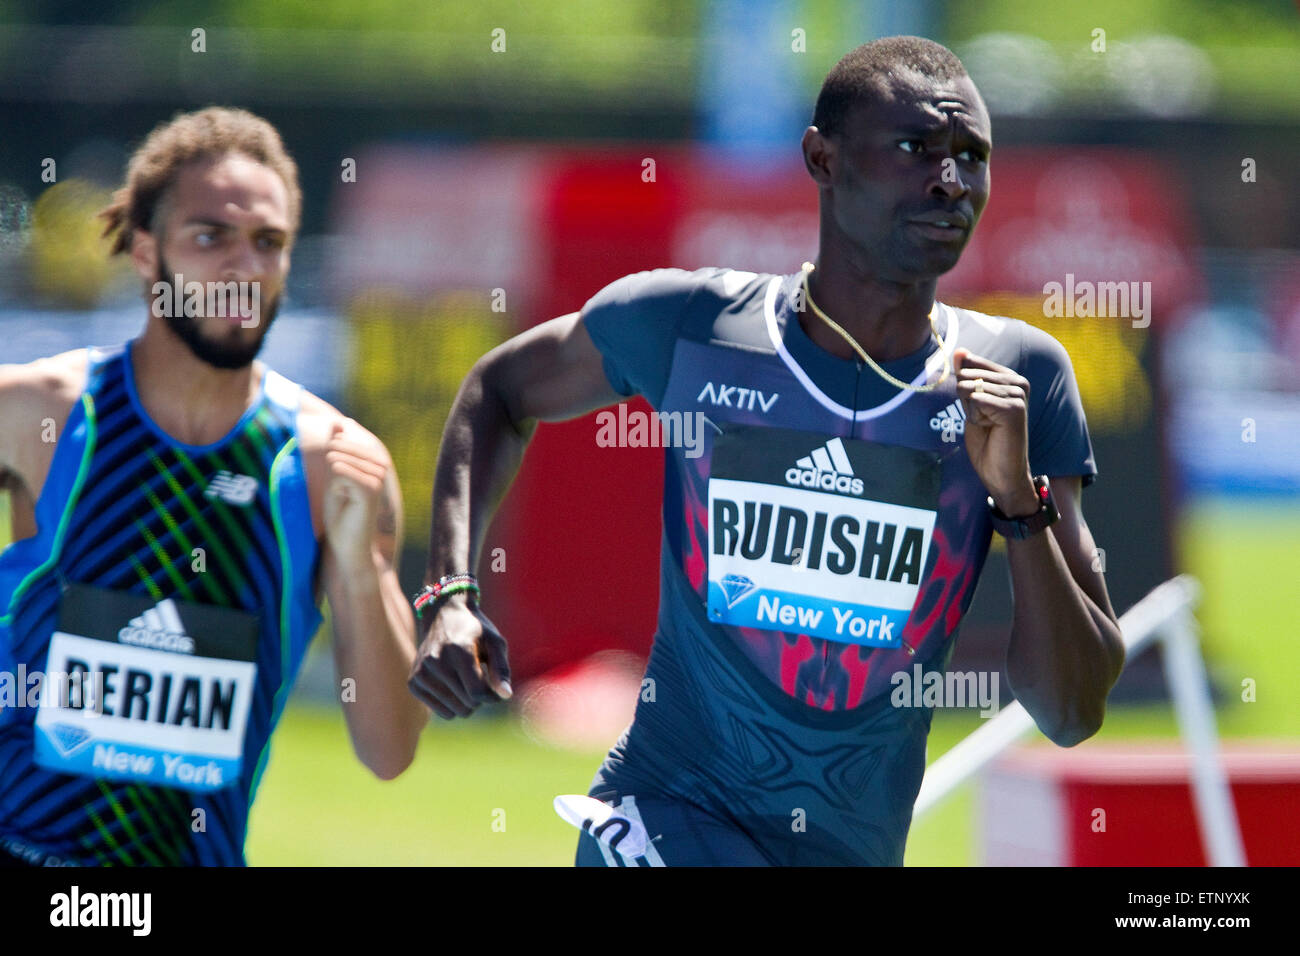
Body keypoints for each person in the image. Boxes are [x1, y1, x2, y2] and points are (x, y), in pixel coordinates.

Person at [408, 36, 1126, 866]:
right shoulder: (693, 327)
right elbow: (497, 390)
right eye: (916, 150)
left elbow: (1071, 711)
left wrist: (1018, 503)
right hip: (663, 818)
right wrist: (450, 595)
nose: (951, 181)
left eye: (973, 156)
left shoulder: (1019, 375)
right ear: (822, 158)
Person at [0, 107, 427, 866]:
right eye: (211, 237)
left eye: (269, 242)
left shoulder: (333, 465)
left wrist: (360, 570)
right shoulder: (41, 413)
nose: (244, 266)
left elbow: (391, 752)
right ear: (143, 253)